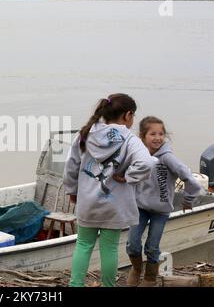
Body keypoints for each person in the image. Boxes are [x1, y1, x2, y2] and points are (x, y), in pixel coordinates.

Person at [63, 93, 154, 287]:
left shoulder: (86, 133)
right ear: (128, 115)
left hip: (88, 202)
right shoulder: (129, 139)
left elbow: (71, 165)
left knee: (83, 244)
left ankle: (76, 284)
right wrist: (129, 176)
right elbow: (146, 163)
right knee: (110, 249)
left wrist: (72, 189)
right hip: (115, 206)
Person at [126, 116, 202, 286]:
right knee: (132, 244)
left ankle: (150, 278)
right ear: (142, 137)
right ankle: (137, 269)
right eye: (153, 134)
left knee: (152, 247)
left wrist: (188, 200)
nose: (158, 137)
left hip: (161, 210)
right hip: (140, 207)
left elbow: (190, 179)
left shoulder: (167, 157)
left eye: (161, 134)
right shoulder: (138, 154)